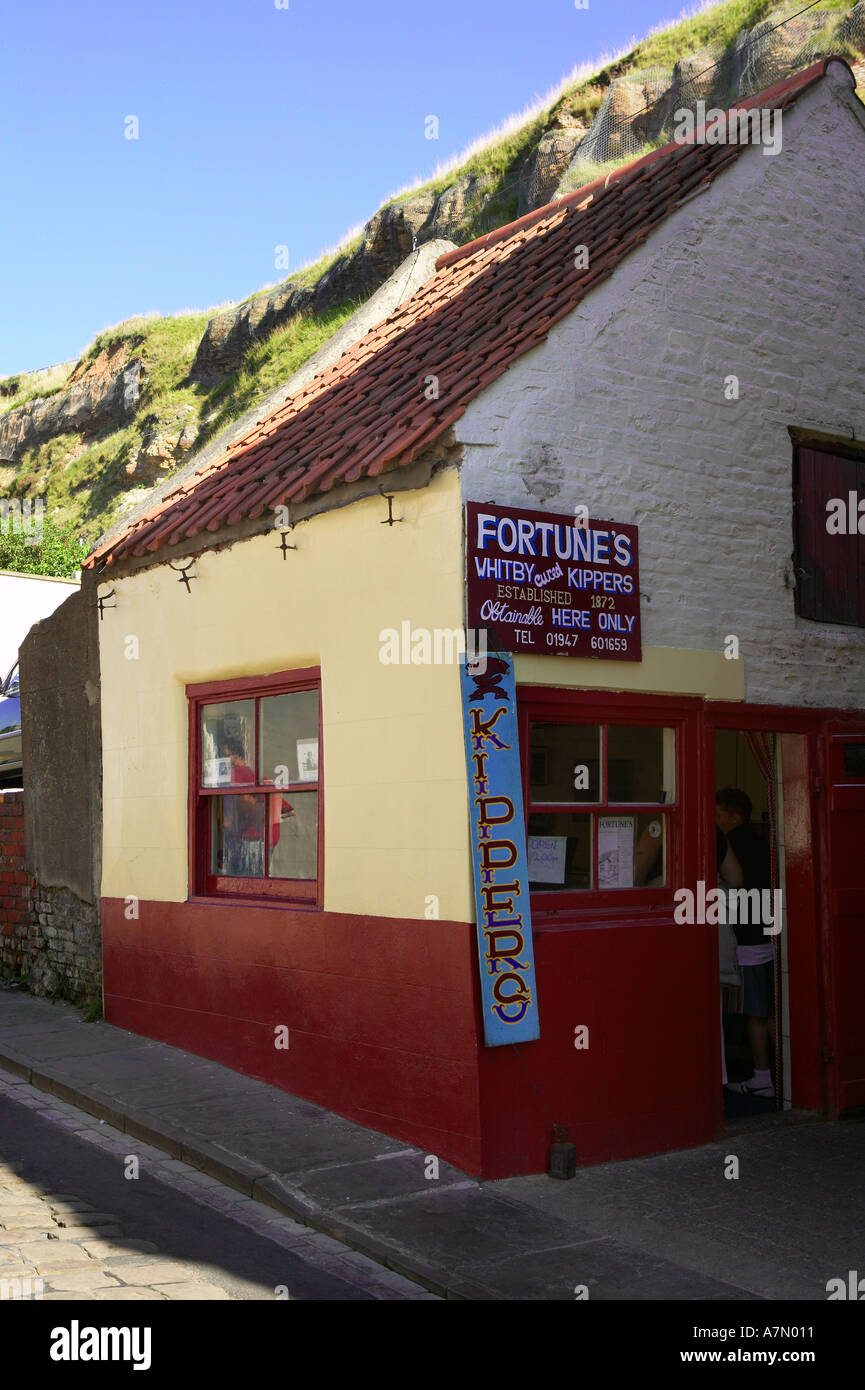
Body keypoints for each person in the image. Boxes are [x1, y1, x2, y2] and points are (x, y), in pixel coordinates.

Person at [716, 786, 776, 1099]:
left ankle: (763, 1077)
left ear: (734, 816)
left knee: (756, 1011)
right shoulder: (763, 842)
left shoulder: (732, 844)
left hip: (746, 937)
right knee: (766, 1009)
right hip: (766, 931)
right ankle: (784, 1070)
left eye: (718, 815)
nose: (713, 822)